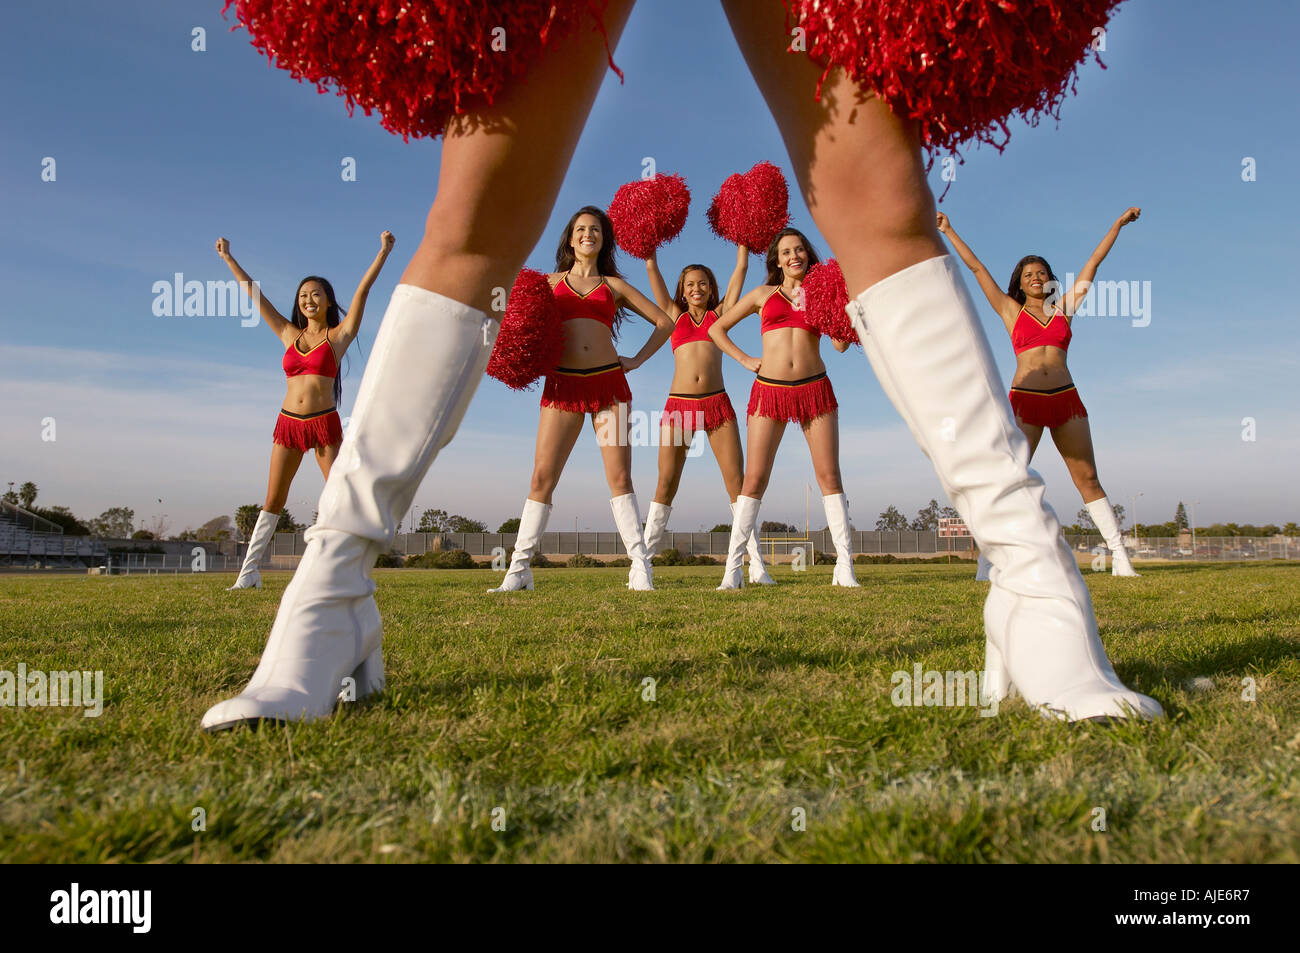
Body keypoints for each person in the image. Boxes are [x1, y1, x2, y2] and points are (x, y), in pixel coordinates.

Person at [203, 0, 1160, 729]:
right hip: (640, 384)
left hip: (694, 384)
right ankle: (329, 595)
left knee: (881, 194)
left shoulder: (674, 285)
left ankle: (1034, 581)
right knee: (472, 217)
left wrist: (675, 318)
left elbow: (684, 307)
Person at [938, 210, 1143, 578]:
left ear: (1050, 280)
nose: (1036, 278)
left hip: (1066, 399)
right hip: (1025, 402)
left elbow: (1092, 264)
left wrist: (1116, 226)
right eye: (1028, 274)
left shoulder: (1064, 309)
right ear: (1019, 281)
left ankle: (1120, 557)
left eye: (1042, 273)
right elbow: (978, 269)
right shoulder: (1010, 310)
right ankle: (989, 561)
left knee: (1088, 479)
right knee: (1009, 480)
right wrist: (949, 230)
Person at [489, 206, 674, 593]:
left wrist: (636, 360)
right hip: (562, 385)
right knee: (542, 476)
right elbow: (505, 310)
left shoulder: (614, 285)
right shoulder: (547, 282)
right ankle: (519, 569)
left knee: (619, 476)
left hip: (608, 385)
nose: (588, 234)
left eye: (595, 230)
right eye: (581, 229)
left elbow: (665, 322)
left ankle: (640, 567)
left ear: (603, 240)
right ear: (571, 238)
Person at [215, 232, 393, 590]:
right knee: (273, 499)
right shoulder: (287, 333)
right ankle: (249, 572)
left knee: (339, 495)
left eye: (315, 294)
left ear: (328, 301)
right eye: (303, 296)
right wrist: (228, 259)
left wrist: (383, 252)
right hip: (288, 424)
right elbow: (254, 295)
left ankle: (345, 567)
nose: (308, 300)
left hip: (324, 424)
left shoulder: (339, 336)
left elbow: (362, 292)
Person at [708, 228, 858, 588]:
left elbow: (838, 346)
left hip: (814, 389)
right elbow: (717, 329)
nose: (794, 256)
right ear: (776, 260)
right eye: (786, 251)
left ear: (807, 255)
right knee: (754, 479)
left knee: (829, 476)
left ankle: (844, 567)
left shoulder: (821, 294)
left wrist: (849, 310)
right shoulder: (762, 295)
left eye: (800, 250)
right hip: (769, 391)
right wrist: (744, 359)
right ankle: (733, 571)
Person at [641, 245, 775, 584]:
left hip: (717, 404)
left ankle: (755, 565)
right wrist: (650, 254)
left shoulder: (721, 314)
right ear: (682, 291)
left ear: (711, 289)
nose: (696, 289)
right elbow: (653, 276)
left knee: (738, 485)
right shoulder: (674, 315)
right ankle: (641, 566)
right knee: (666, 484)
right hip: (679, 406)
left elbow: (739, 273)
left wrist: (743, 247)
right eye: (689, 285)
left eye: (702, 284)